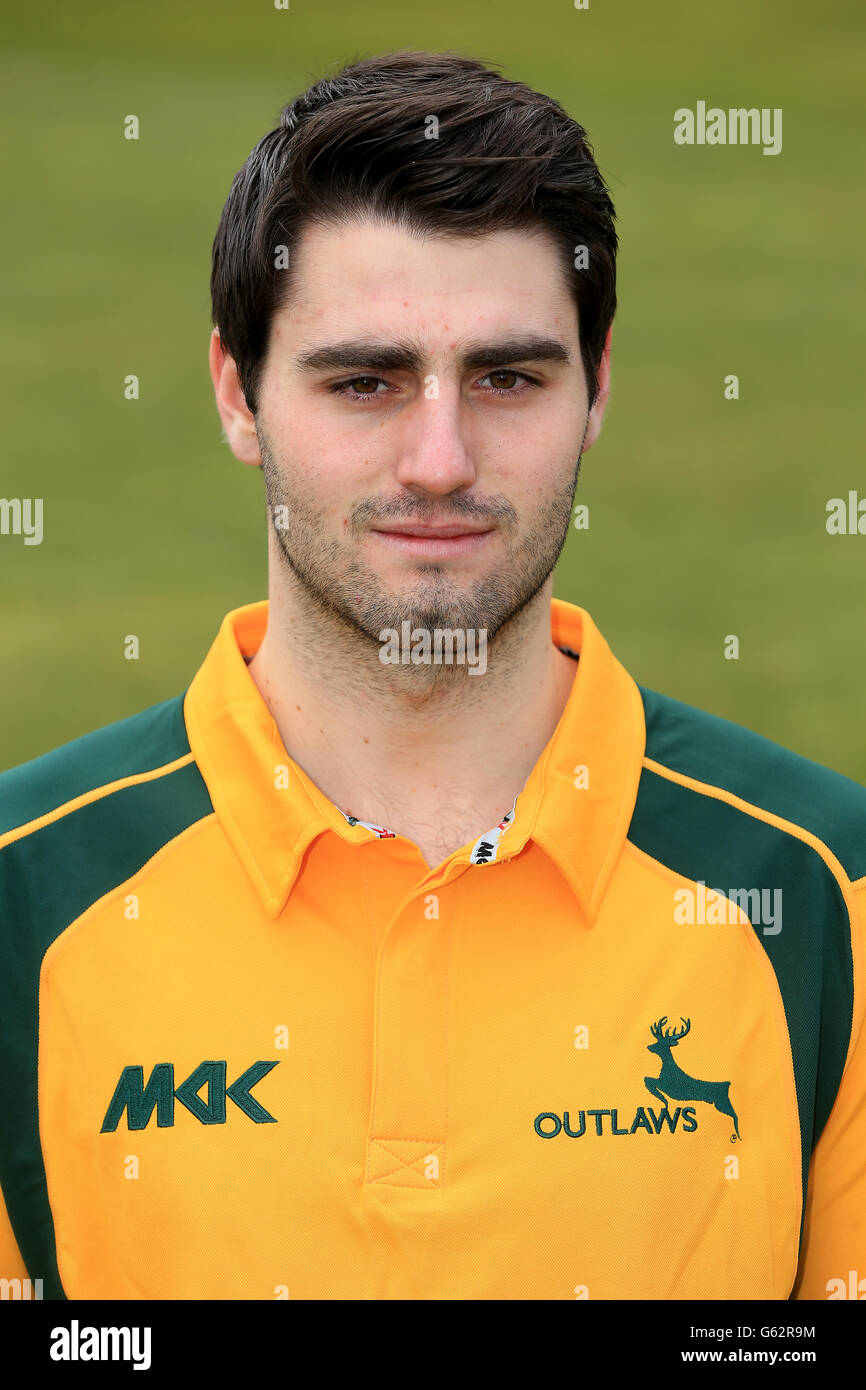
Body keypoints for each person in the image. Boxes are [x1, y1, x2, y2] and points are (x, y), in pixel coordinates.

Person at [0, 48, 863, 1303]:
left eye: (508, 377)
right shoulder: (26, 896)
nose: (442, 459)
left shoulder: (825, 886)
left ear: (597, 389)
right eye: (366, 380)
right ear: (238, 395)